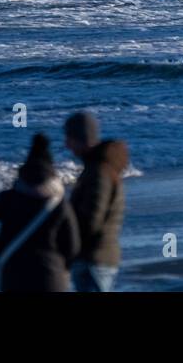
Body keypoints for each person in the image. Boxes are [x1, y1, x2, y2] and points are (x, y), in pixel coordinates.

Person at [0, 133, 79, 292]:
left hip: (14, 276)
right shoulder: (59, 204)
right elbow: (73, 246)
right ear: (51, 176)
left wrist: (0, 247)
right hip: (51, 278)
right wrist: (58, 263)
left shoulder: (7, 199)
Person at [64, 111, 130, 292]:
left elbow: (92, 219)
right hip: (96, 258)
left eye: (69, 138)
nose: (66, 145)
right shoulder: (98, 168)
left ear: (81, 138)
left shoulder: (99, 172)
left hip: (93, 259)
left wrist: (66, 239)